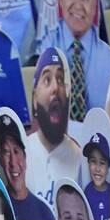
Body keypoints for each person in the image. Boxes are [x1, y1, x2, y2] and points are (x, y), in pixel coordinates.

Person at [23, 48, 82, 203]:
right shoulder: (20, 154)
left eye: (61, 79)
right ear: (35, 100)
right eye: (47, 80)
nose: (56, 87)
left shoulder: (79, 158)